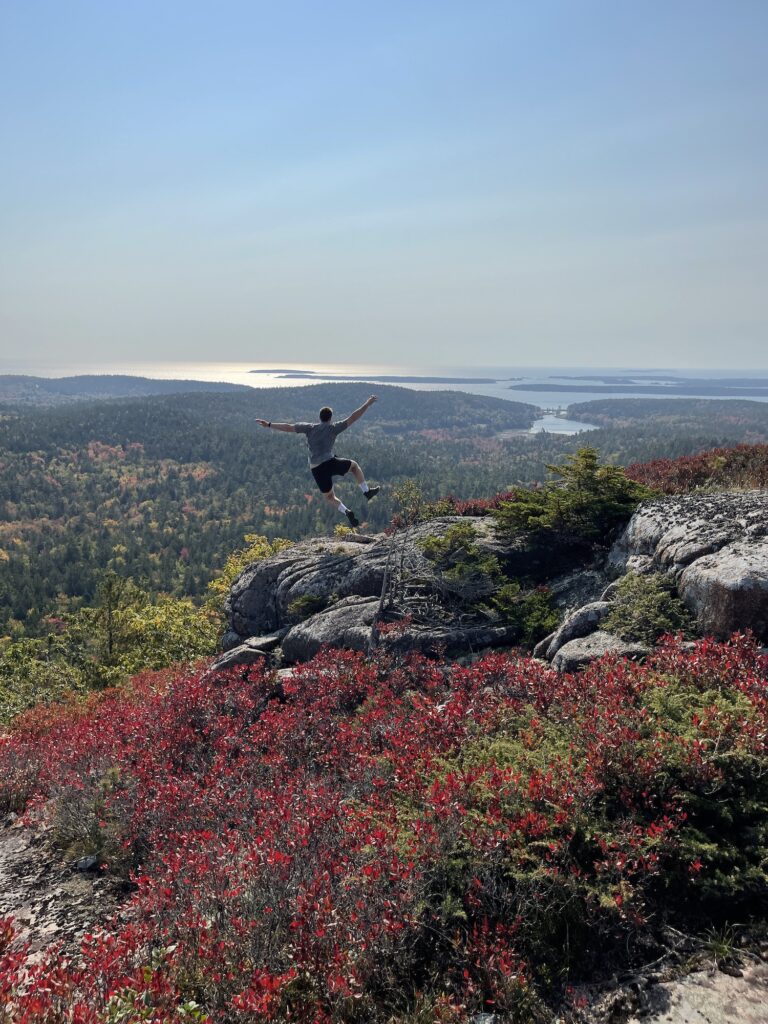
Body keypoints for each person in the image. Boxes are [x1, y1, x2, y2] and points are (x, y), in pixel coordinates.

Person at [256, 396, 379, 527]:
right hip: (330, 462)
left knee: (329, 497)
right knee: (354, 466)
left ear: (319, 417)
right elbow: (353, 417)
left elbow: (288, 427)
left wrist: (269, 424)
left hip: (316, 469)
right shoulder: (333, 428)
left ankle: (347, 511)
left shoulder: (309, 428)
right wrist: (368, 403)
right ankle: (366, 491)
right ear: (330, 417)